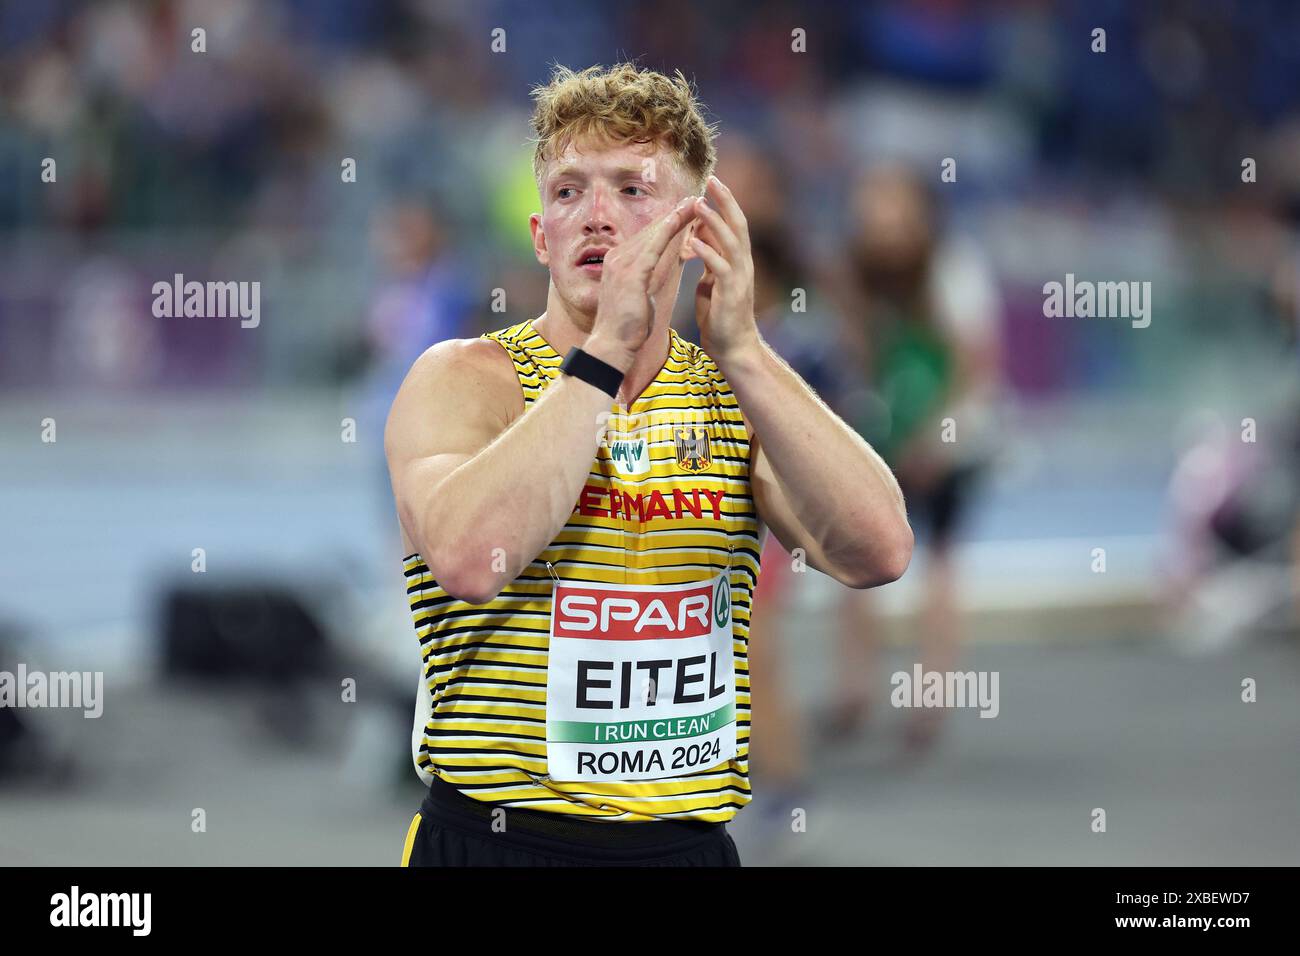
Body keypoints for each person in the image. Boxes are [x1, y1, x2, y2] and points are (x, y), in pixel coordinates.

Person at [384, 62, 912, 867]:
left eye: (633, 189)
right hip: (498, 841)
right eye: (568, 192)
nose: (597, 217)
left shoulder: (735, 396)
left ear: (697, 228)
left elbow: (879, 552)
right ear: (540, 236)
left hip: (683, 848)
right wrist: (603, 355)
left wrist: (745, 352)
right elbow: (466, 559)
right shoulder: (464, 379)